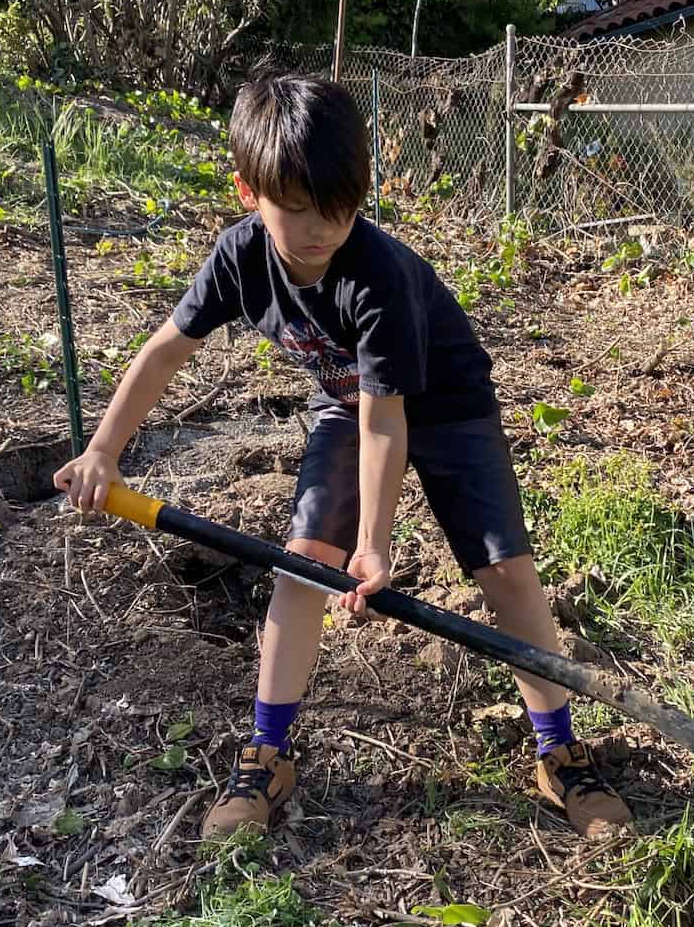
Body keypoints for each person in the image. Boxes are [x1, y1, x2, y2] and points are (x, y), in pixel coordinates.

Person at [55, 77, 632, 843]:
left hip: (448, 406)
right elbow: (164, 354)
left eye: (342, 206)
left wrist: (374, 546)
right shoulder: (238, 259)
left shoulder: (377, 274)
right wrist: (103, 450)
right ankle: (268, 752)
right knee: (302, 564)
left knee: (505, 570)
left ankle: (561, 750)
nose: (322, 227)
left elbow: (388, 419)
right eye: (297, 206)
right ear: (248, 189)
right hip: (347, 404)